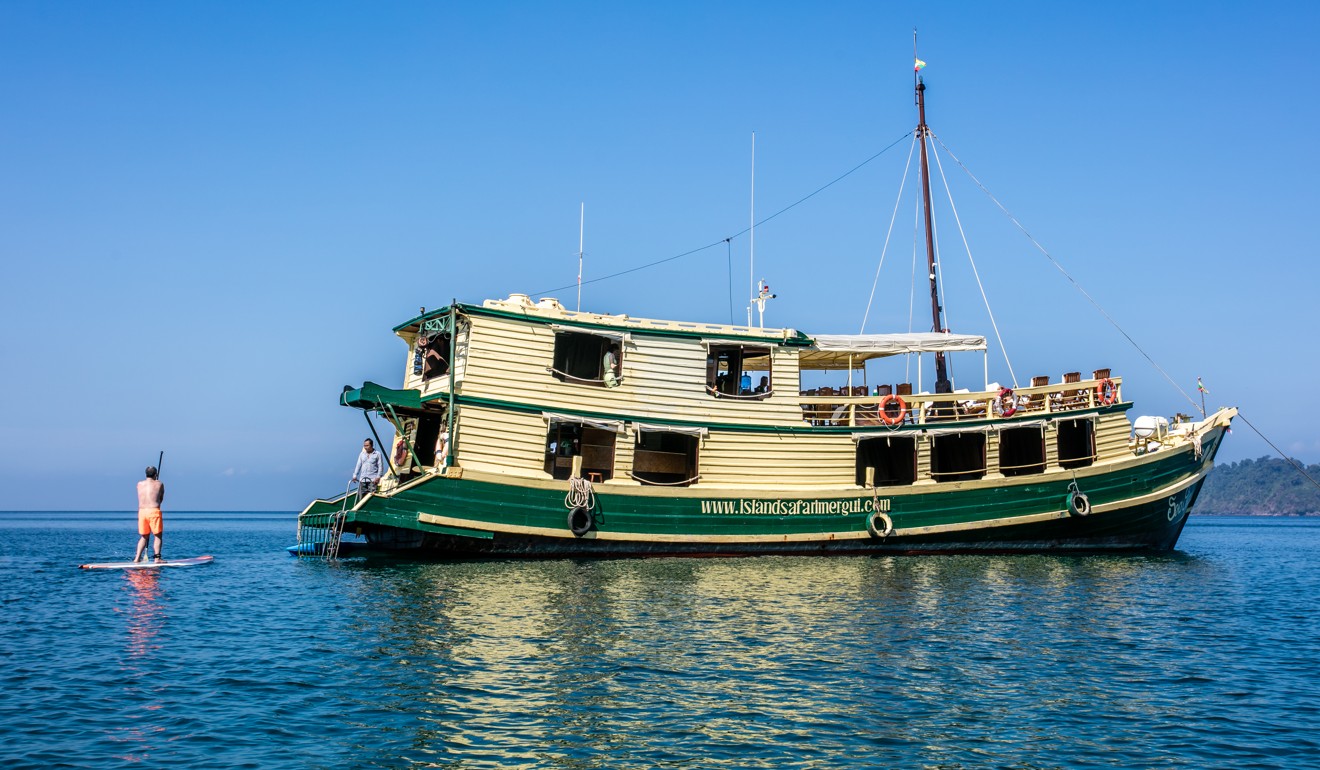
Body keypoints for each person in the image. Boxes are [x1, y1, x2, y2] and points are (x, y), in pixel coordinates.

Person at [134, 466, 165, 563]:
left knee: (144, 536)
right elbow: (160, 499)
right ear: (155, 474)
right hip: (154, 511)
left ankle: (137, 558)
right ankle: (157, 558)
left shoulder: (139, 484)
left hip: (142, 512)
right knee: (157, 536)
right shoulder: (159, 484)